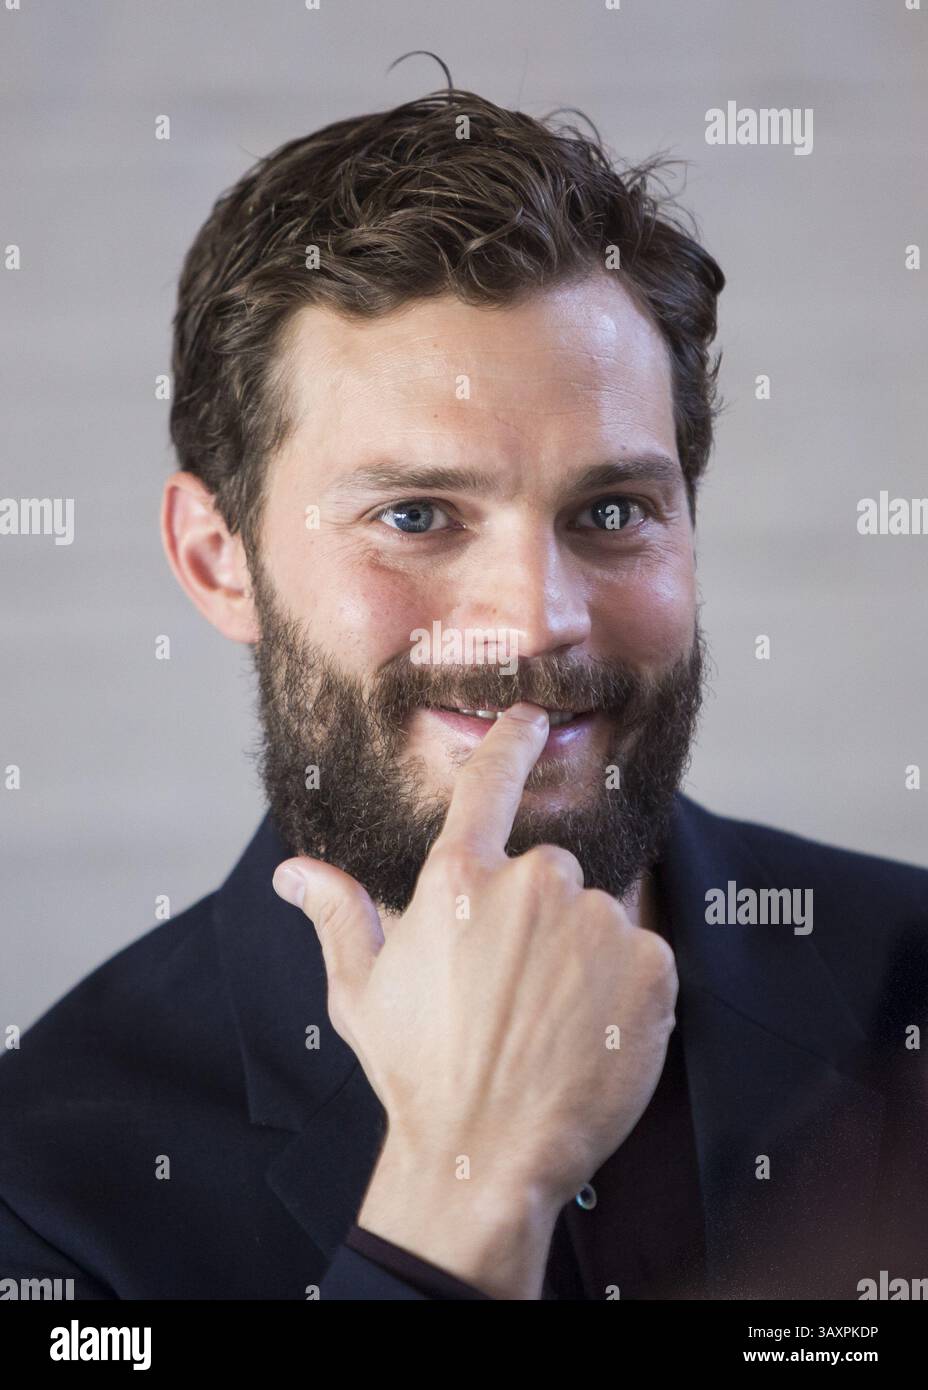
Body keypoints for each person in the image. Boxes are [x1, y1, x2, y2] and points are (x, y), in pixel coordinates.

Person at [1, 84, 925, 1302]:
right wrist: (464, 1191)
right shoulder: (45, 1184)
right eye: (414, 516)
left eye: (611, 512)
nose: (537, 619)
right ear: (218, 558)